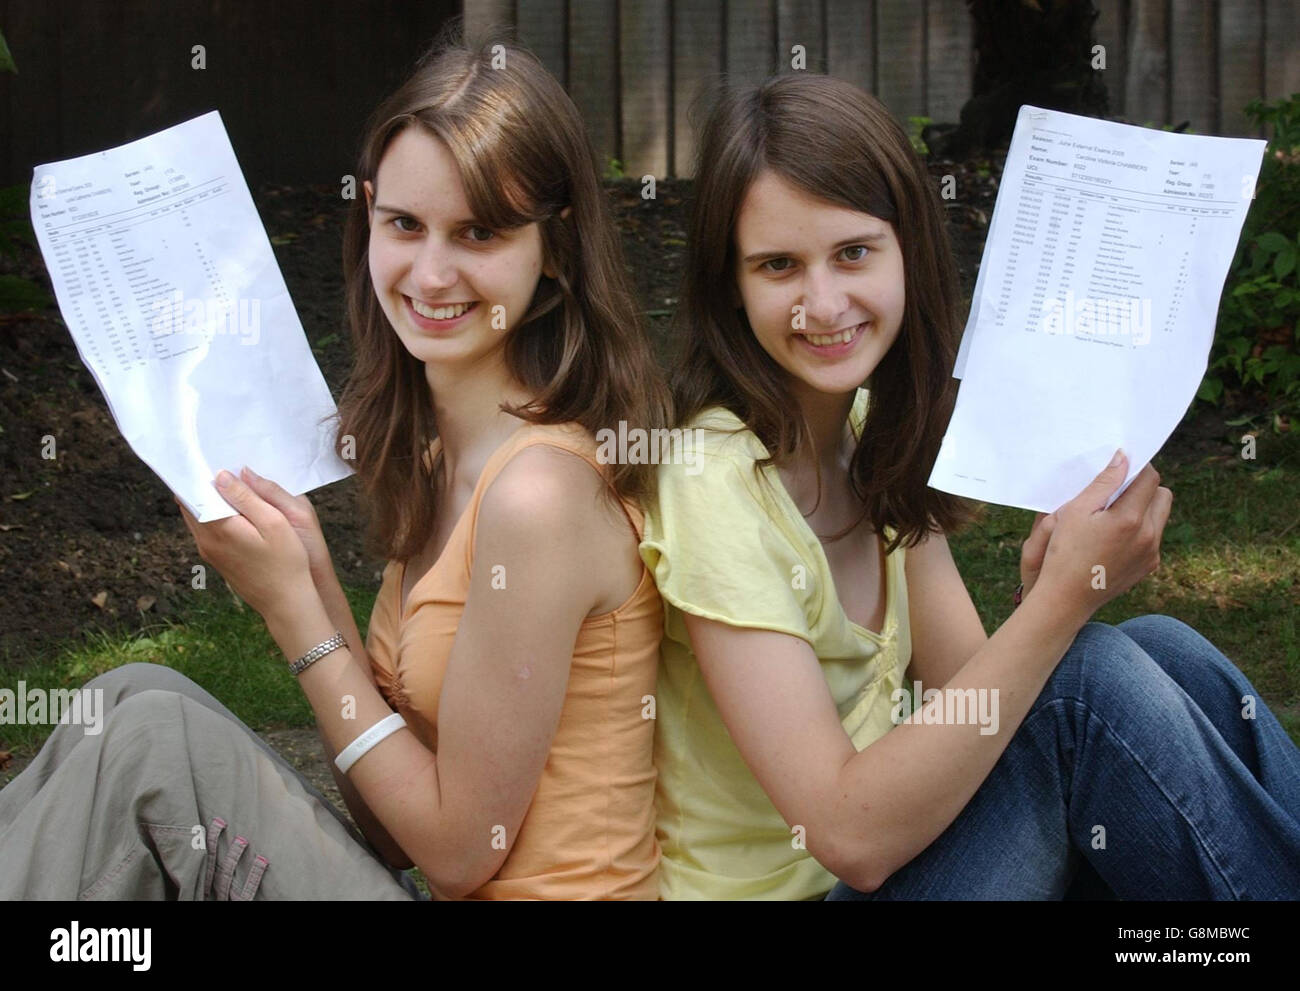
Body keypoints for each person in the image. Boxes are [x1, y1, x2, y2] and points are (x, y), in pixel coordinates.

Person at [0, 32, 670, 900]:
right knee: (132, 693)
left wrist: (293, 617)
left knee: (153, 744)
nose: (431, 273)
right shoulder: (448, 453)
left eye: (478, 232)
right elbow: (389, 833)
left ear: (556, 247)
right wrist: (311, 577)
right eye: (404, 225)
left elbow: (460, 854)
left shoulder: (540, 493)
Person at [639, 72, 1300, 900]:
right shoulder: (712, 478)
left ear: (906, 250)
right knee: (1086, 680)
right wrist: (1059, 608)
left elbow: (972, 702)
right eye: (778, 265)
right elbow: (846, 833)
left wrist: (1045, 604)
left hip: (909, 864)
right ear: (729, 286)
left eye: (852, 252)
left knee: (1166, 651)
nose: (823, 301)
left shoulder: (863, 430)